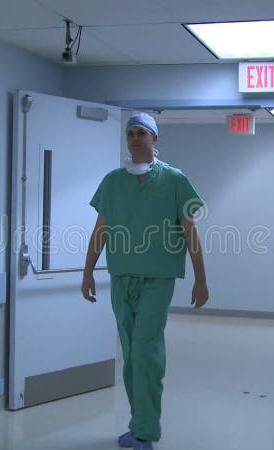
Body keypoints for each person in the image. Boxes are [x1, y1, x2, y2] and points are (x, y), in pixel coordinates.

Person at [81, 112, 209, 450]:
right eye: (131, 133)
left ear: (155, 139)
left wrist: (201, 278)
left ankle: (146, 432)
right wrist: (87, 271)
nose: (135, 138)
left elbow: (189, 232)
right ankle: (138, 422)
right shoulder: (112, 181)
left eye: (142, 133)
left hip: (158, 277)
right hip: (121, 276)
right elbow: (101, 230)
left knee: (146, 350)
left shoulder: (175, 180)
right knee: (131, 353)